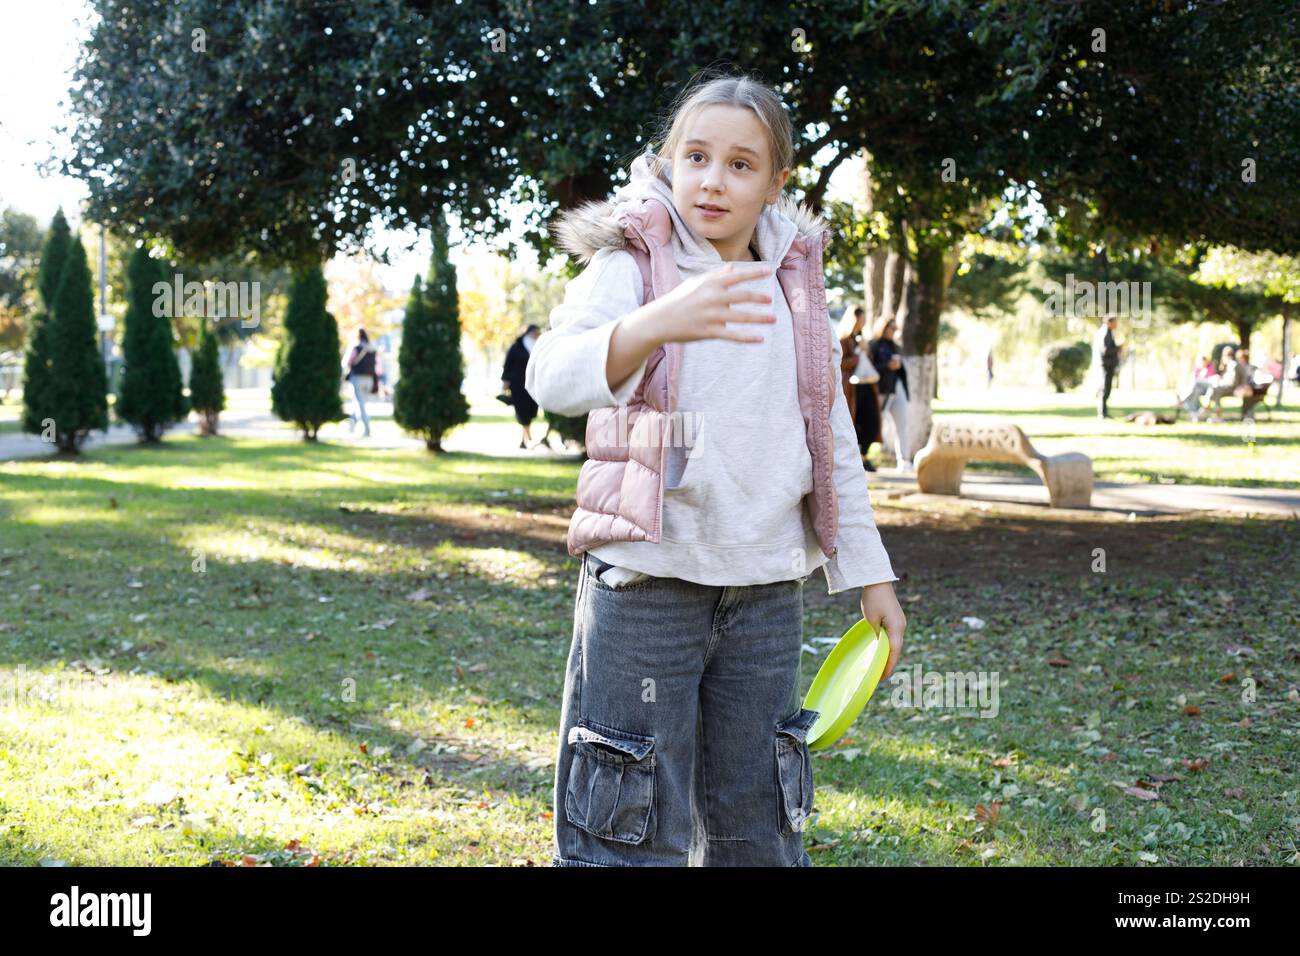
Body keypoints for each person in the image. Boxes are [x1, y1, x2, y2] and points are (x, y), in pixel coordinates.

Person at [525, 72, 906, 867]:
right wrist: (650, 325)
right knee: (627, 819)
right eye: (695, 155)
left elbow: (830, 435)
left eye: (741, 163)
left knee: (756, 820)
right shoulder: (632, 264)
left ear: (777, 181)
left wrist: (870, 574)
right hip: (645, 587)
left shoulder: (797, 288)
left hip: (765, 593)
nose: (713, 179)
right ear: (669, 160)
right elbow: (550, 376)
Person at [837, 306, 881, 471]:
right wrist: (857, 356)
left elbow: (869, 361)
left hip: (867, 385)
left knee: (870, 420)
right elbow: (841, 363)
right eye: (859, 318)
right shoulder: (843, 339)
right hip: (851, 388)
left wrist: (866, 351)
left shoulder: (862, 338)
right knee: (853, 422)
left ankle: (864, 455)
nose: (862, 322)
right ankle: (855, 458)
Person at [869, 315, 911, 471]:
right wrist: (887, 366)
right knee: (872, 423)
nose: (893, 331)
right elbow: (870, 369)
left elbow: (902, 371)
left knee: (902, 424)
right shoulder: (874, 345)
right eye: (890, 327)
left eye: (895, 328)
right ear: (883, 327)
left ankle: (904, 460)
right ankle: (863, 456)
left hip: (896, 388)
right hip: (880, 390)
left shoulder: (895, 346)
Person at [501, 324, 541, 448]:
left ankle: (525, 439)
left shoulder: (539, 346)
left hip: (534, 384)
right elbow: (508, 364)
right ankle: (527, 438)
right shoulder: (517, 347)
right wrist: (505, 381)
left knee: (530, 411)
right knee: (522, 411)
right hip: (518, 384)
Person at [341, 328, 378, 437]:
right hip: (370, 379)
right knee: (359, 403)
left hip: (357, 378)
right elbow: (377, 365)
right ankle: (351, 427)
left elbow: (346, 362)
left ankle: (367, 429)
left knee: (360, 404)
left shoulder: (356, 347)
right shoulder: (373, 348)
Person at [1094, 315, 1122, 418]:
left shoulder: (1107, 332)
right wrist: (1119, 348)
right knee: (1104, 389)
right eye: (1115, 322)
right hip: (1106, 366)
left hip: (1108, 365)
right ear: (1109, 322)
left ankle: (1104, 412)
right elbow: (1105, 350)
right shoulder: (1105, 333)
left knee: (1106, 388)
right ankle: (1102, 413)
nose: (1116, 324)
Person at [1177, 354, 1219, 421]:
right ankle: (1195, 414)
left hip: (1208, 387)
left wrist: (1201, 378)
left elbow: (1211, 379)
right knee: (1195, 393)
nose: (1201, 363)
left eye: (1202, 361)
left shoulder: (1210, 367)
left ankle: (1182, 398)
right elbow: (1193, 379)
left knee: (1196, 382)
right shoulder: (1197, 369)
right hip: (1199, 389)